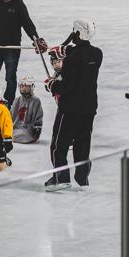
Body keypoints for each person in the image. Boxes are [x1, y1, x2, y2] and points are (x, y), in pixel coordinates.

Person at [46, 19, 102, 191]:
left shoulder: (71, 59)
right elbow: (82, 53)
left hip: (70, 109)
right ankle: (82, 178)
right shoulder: (97, 54)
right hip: (89, 108)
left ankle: (61, 178)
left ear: (77, 33)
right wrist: (66, 49)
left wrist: (52, 85)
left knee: (59, 145)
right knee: (82, 143)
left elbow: (67, 85)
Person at [10, 75, 43, 144]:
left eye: (27, 86)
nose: (24, 88)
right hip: (16, 128)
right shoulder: (17, 100)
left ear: (31, 87)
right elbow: (11, 116)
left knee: (24, 135)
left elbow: (38, 117)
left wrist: (37, 128)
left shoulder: (36, 100)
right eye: (22, 86)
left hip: (28, 129)